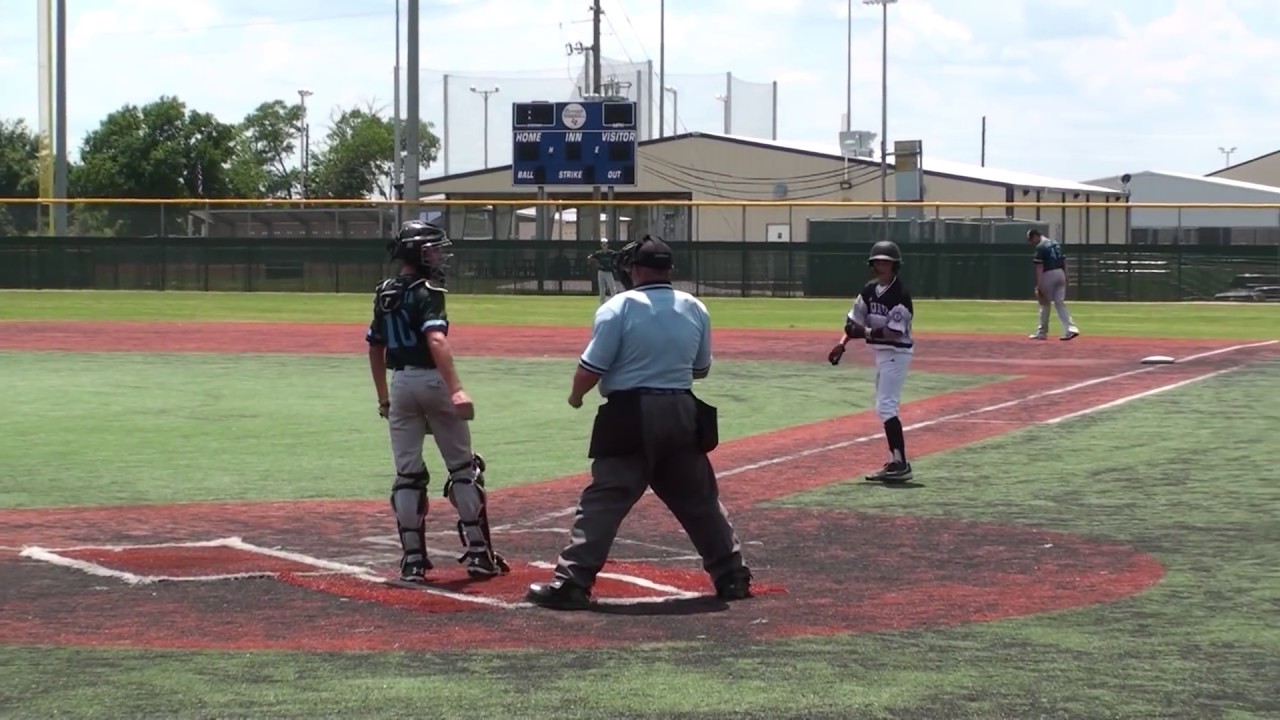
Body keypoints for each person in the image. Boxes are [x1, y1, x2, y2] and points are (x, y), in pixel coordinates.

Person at [525, 235, 753, 610]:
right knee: (699, 500)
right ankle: (732, 576)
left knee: (605, 499)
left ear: (634, 269)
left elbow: (590, 369)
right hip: (682, 409)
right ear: (670, 269)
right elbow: (701, 369)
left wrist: (576, 397)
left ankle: (573, 582)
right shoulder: (695, 307)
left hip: (631, 413)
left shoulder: (619, 307)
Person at [366, 220, 510, 583]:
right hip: (431, 380)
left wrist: (383, 396)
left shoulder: (385, 291)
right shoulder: (429, 291)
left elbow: (375, 346)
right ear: (417, 252)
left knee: (407, 473)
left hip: (400, 384)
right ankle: (479, 554)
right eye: (431, 249)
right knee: (463, 468)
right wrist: (456, 388)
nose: (438, 255)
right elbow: (436, 340)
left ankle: (413, 561)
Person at [827, 240, 916, 484]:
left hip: (897, 354)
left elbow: (894, 333)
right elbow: (853, 323)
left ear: (894, 265)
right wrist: (842, 344)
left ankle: (900, 463)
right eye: (877, 261)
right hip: (882, 353)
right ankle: (896, 461)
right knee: (884, 407)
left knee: (887, 406)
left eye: (885, 262)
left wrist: (863, 333)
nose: (880, 266)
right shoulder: (869, 290)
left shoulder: (900, 295)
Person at [1027, 229, 1080, 341]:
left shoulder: (1040, 246)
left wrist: (1039, 285)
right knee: (1059, 303)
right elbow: (1063, 261)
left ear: (1036, 236)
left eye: (1031, 239)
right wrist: (1066, 276)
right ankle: (1071, 328)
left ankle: (1042, 332)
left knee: (1044, 303)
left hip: (1049, 273)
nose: (1031, 242)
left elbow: (1039, 267)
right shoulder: (1056, 244)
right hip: (1060, 273)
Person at [587, 237, 618, 304]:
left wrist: (614, 265)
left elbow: (618, 257)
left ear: (607, 245)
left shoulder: (611, 253)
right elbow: (590, 258)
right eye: (602, 244)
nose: (604, 245)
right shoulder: (599, 253)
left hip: (609, 272)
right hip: (601, 272)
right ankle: (602, 305)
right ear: (601, 245)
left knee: (612, 289)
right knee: (602, 290)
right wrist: (596, 263)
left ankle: (615, 303)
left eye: (605, 244)